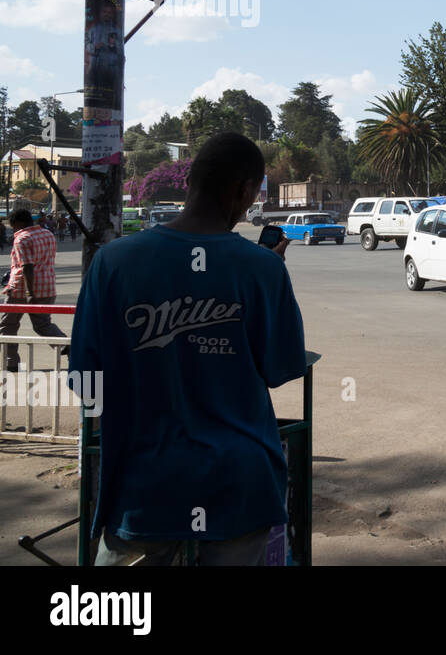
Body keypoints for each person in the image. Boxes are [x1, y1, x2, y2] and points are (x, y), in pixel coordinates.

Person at [69, 132, 307, 565]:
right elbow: (281, 367)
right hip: (237, 487)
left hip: (143, 487)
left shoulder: (113, 262)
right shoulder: (263, 269)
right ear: (242, 190)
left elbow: (86, 379)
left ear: (190, 182)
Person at [2, 209, 67, 373]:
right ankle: (69, 348)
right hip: (47, 286)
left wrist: (30, 294)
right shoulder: (47, 234)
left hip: (21, 290)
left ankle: (11, 362)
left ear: (18, 223)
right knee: (43, 325)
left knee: (8, 326)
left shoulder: (22, 239)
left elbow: (27, 267)